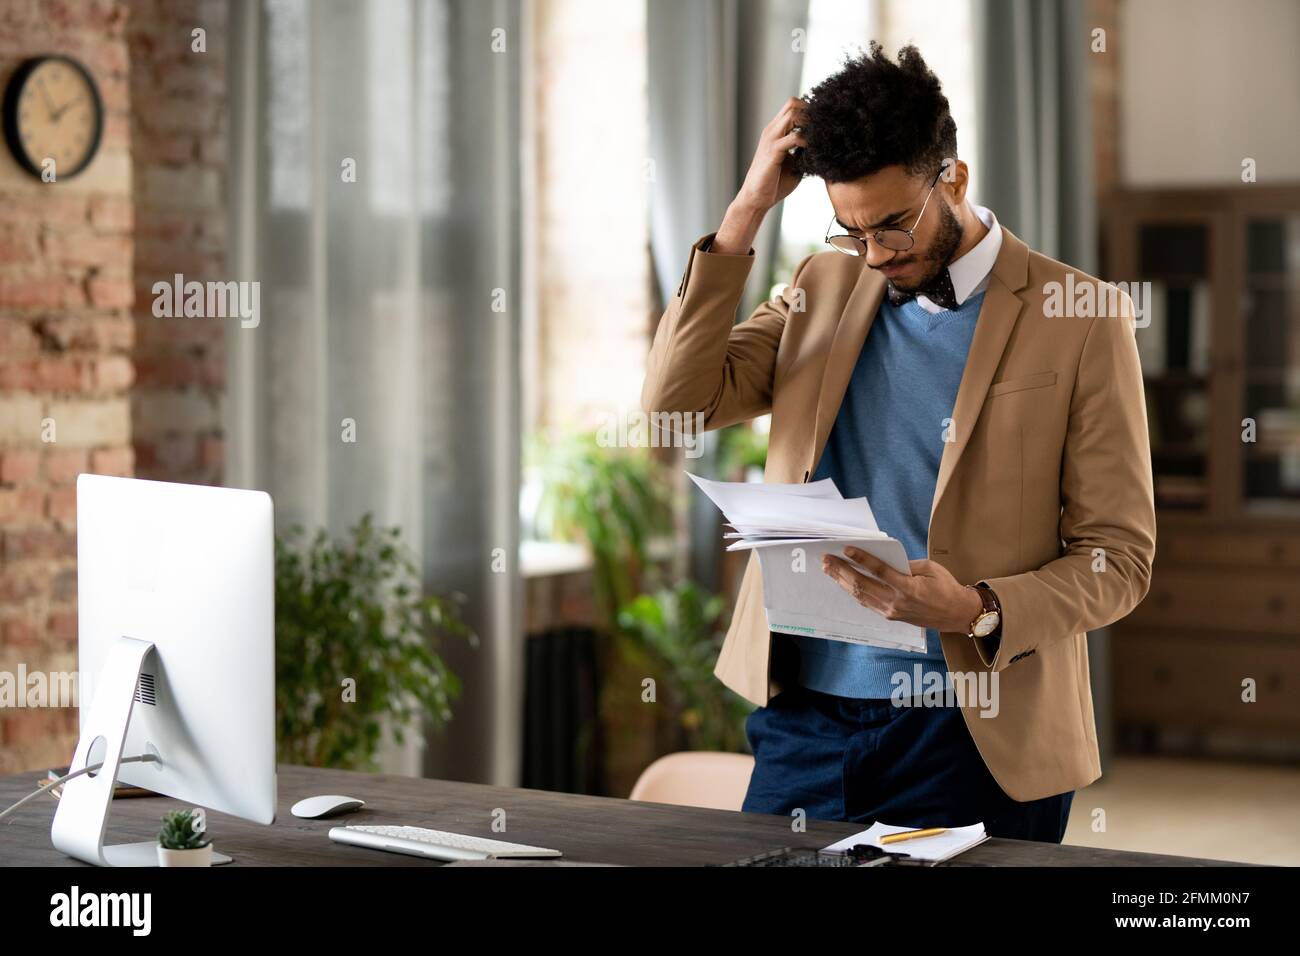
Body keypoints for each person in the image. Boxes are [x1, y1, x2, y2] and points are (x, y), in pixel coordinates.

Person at [641, 44, 1155, 842]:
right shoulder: (824, 284)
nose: (875, 254)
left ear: (953, 177)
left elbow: (1118, 558)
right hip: (806, 718)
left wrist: (978, 608)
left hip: (975, 731)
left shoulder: (1080, 316)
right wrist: (745, 211)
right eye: (852, 230)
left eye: (892, 225)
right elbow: (675, 404)